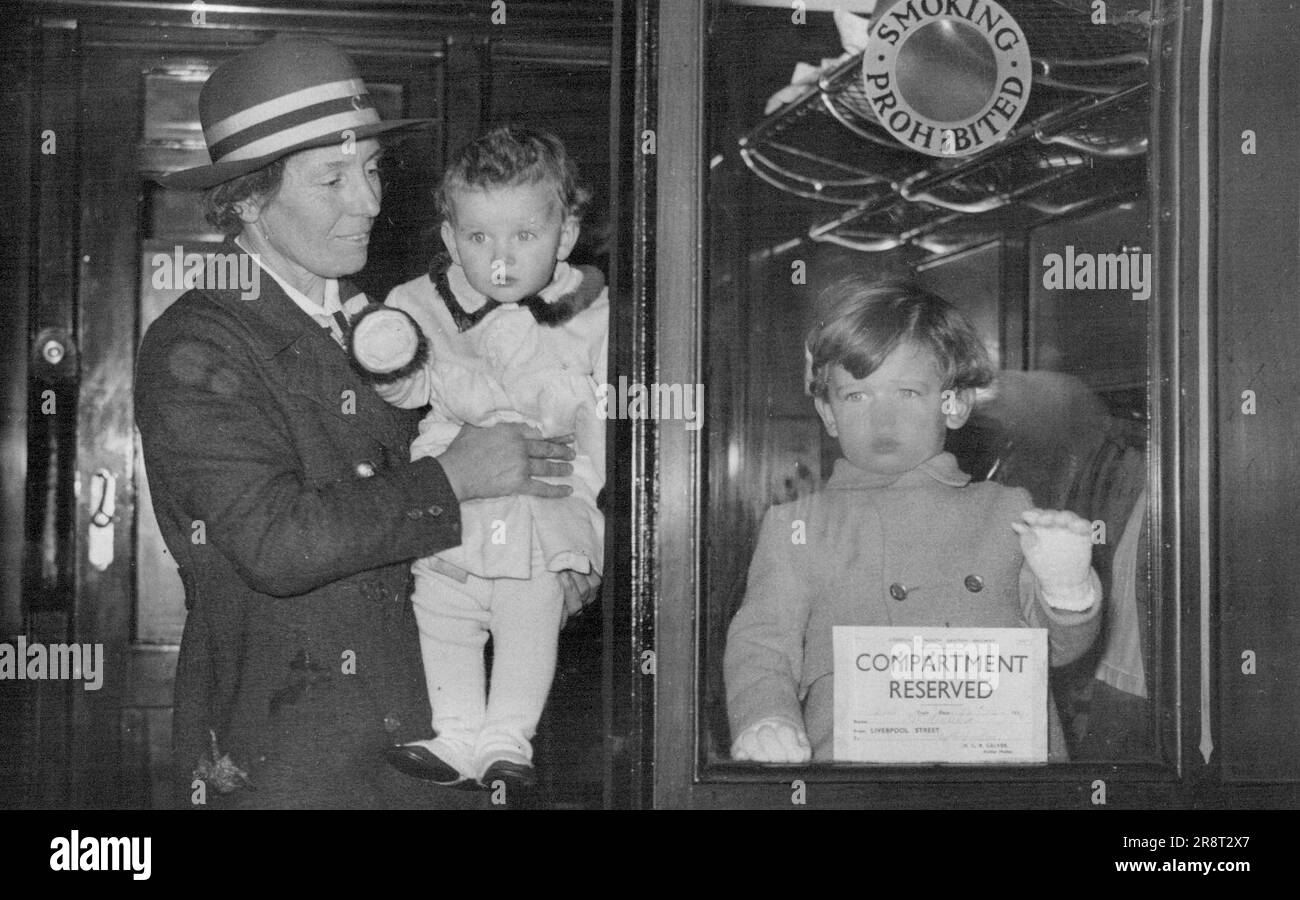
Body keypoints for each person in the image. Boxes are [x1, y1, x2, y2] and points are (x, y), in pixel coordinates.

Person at [135, 36, 596, 809]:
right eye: (333, 179)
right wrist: (455, 478)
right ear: (249, 198)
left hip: (428, 755)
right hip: (295, 769)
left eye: (373, 169)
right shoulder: (198, 341)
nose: (371, 201)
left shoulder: (390, 320)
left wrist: (556, 551)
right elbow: (276, 543)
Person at [723, 276, 1103, 764]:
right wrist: (766, 717)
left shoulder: (1006, 510)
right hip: (856, 783)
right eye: (857, 396)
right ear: (828, 412)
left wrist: (1067, 589)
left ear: (956, 405)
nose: (883, 420)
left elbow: (1057, 650)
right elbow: (762, 645)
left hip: (1003, 778)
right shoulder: (798, 525)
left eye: (907, 393)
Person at [348, 126, 606, 790]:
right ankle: (457, 731)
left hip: (545, 488)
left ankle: (507, 736)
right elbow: (411, 391)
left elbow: (601, 431)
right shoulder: (420, 303)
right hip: (456, 489)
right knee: (442, 605)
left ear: (565, 236)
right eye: (479, 238)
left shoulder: (594, 315)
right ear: (448, 237)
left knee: (530, 606)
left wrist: (588, 538)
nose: (499, 259)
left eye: (524, 236)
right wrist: (388, 358)